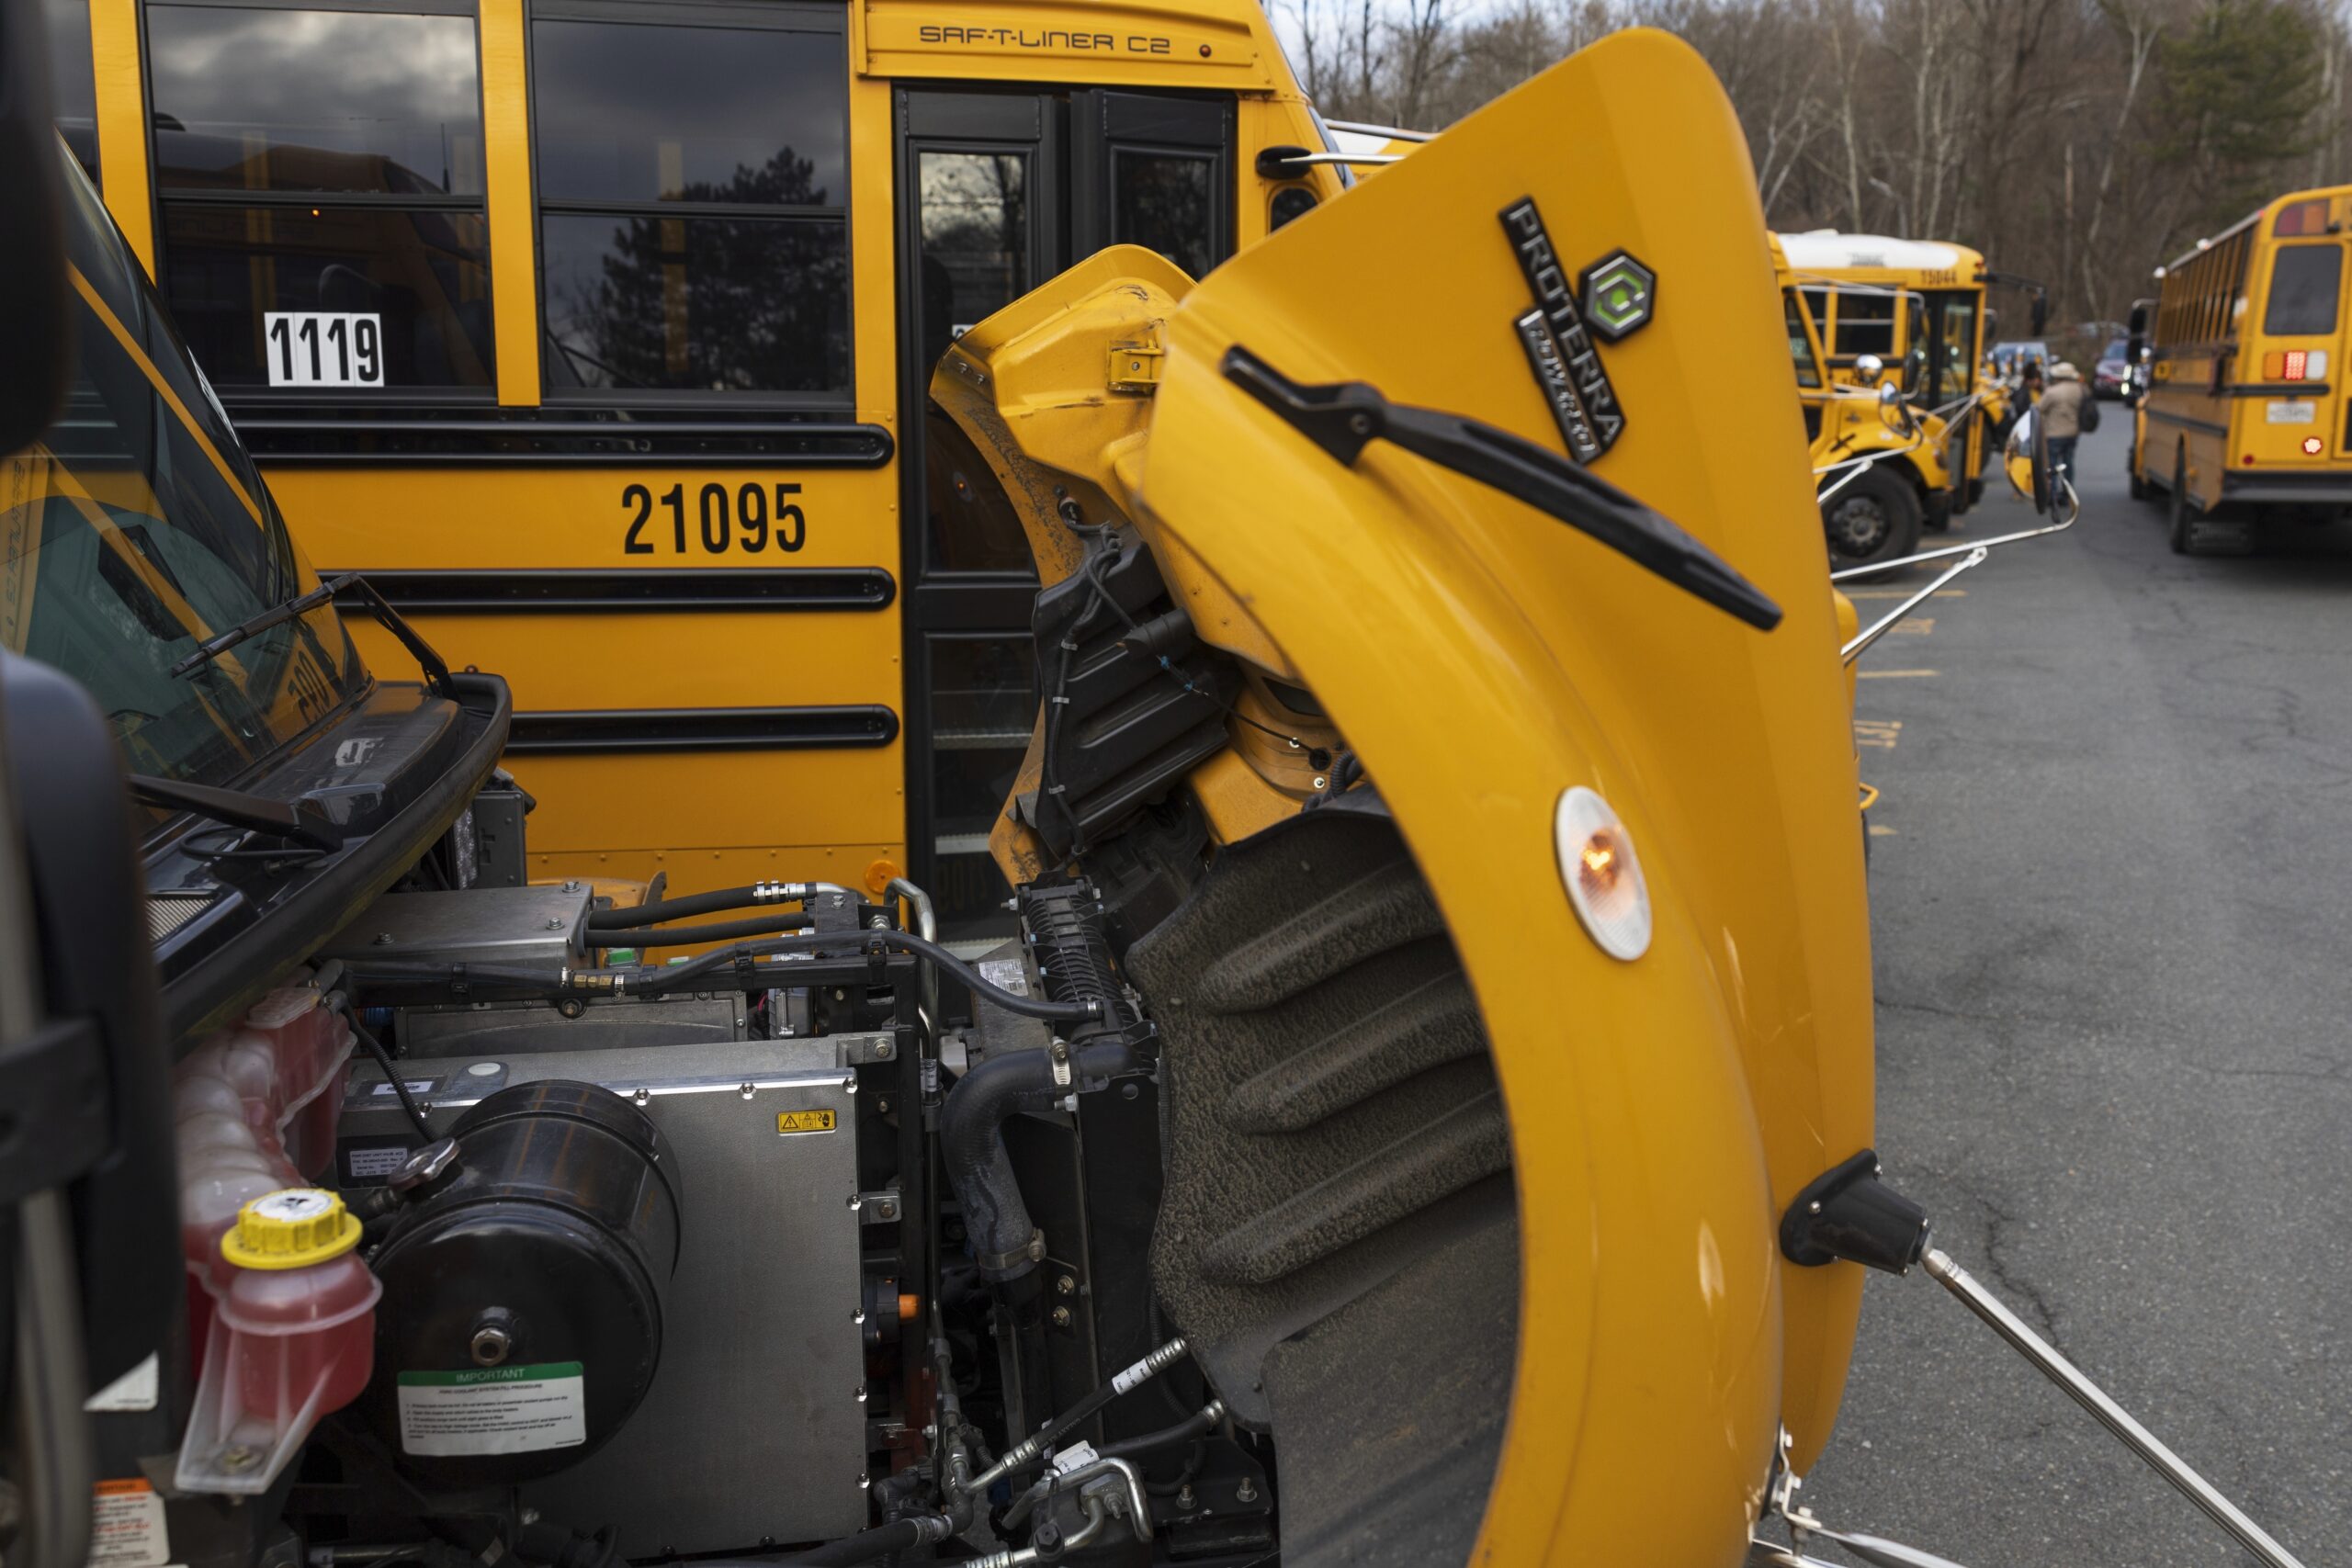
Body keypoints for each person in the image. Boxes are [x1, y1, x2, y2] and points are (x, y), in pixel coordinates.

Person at [2038, 362, 2089, 488]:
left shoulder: (2052, 391)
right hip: (2073, 432)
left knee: (2052, 464)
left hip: (2054, 433)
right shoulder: (2080, 390)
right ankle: (2067, 493)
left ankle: (2052, 492)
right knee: (2068, 463)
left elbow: (2040, 408)